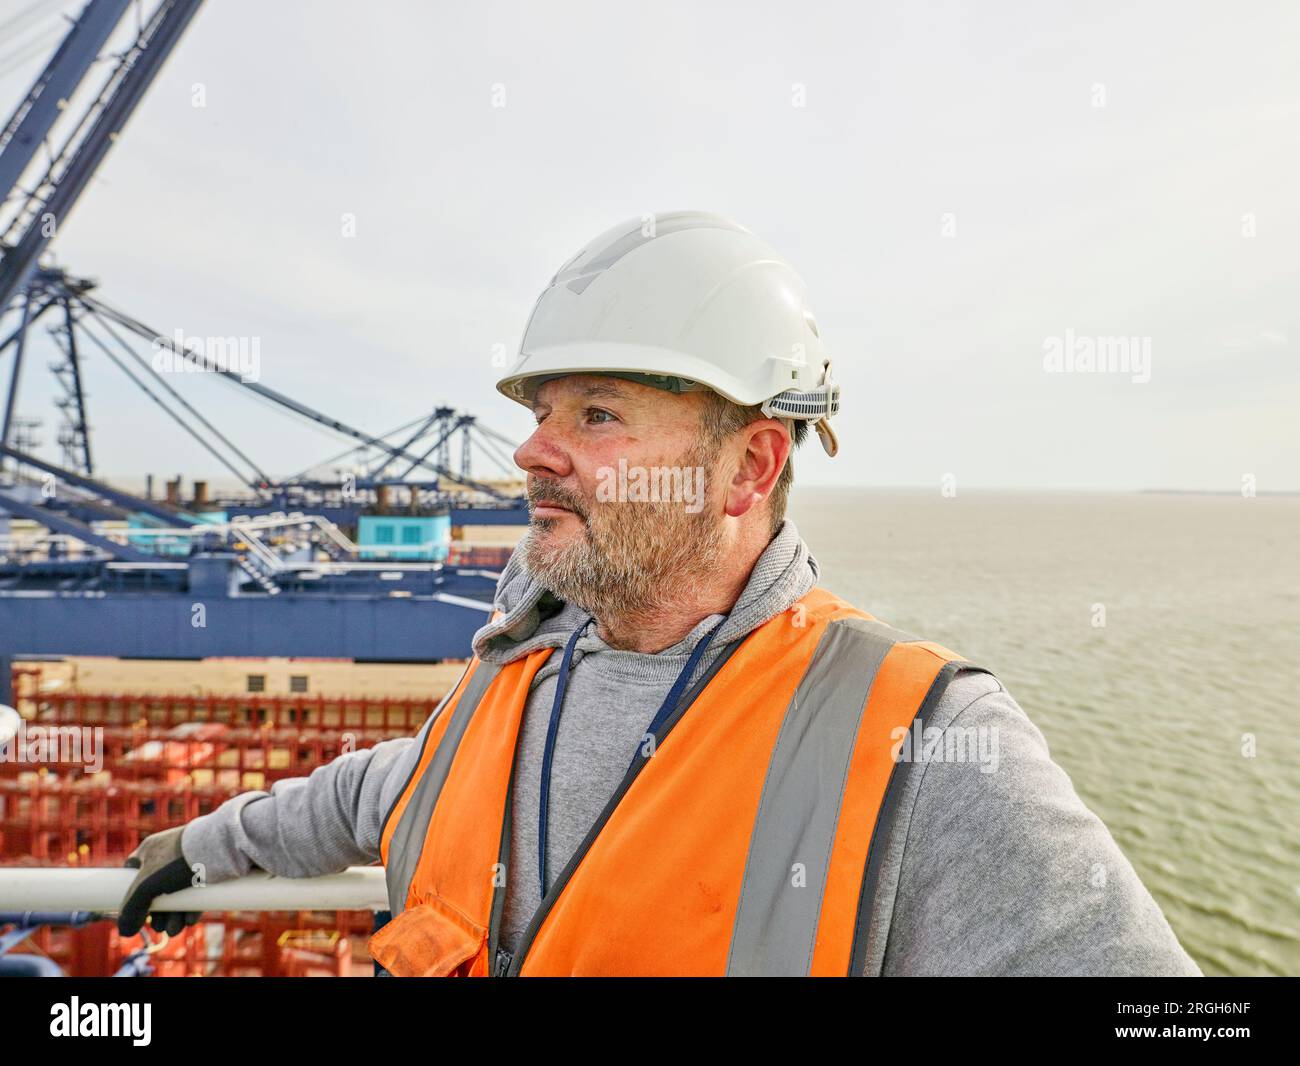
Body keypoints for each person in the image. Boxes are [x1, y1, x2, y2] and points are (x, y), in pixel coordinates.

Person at [119, 211, 1201, 976]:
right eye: (544, 409)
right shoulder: (524, 672)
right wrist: (209, 846)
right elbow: (393, 791)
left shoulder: (919, 744)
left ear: (748, 469)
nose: (530, 449)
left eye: (596, 415)